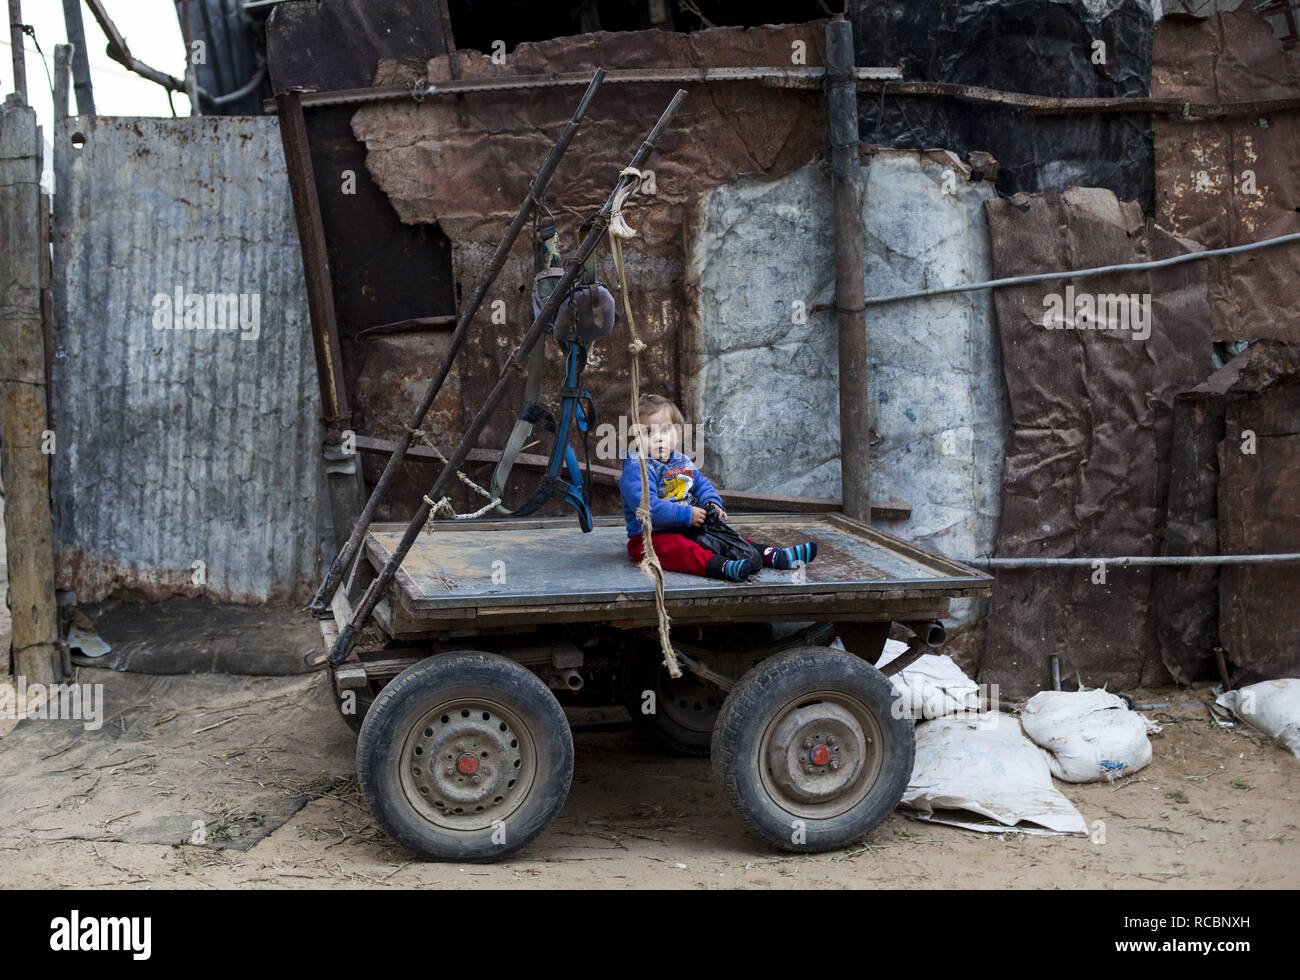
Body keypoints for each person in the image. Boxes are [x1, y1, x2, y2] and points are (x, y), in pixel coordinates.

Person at [619, 394, 819, 581]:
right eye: (647, 432)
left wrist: (711, 502)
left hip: (689, 527)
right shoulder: (638, 467)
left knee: (725, 538)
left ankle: (774, 555)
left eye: (665, 429)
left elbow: (700, 484)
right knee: (682, 550)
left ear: (678, 433)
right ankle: (721, 567)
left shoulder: (680, 461)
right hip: (652, 537)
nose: (658, 438)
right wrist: (686, 515)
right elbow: (647, 508)